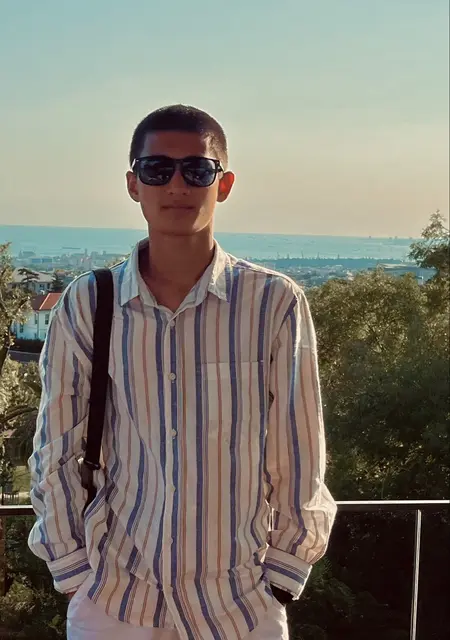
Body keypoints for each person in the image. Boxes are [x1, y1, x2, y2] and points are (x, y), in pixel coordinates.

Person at [28, 104, 337, 640]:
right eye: (157, 169)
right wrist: (74, 573)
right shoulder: (89, 303)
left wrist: (283, 575)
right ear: (133, 184)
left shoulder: (272, 304)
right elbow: (55, 448)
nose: (177, 185)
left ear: (224, 183)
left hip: (239, 605)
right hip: (113, 600)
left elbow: (299, 451)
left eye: (197, 169)